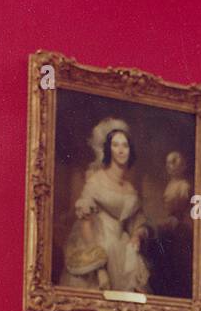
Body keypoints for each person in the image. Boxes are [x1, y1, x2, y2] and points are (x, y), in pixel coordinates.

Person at [60, 118, 151, 292]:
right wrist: (99, 267)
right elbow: (85, 223)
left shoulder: (130, 188)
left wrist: (137, 235)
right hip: (99, 243)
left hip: (124, 249)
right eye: (116, 145)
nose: (121, 150)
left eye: (125, 145)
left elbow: (138, 220)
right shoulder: (96, 180)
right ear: (108, 149)